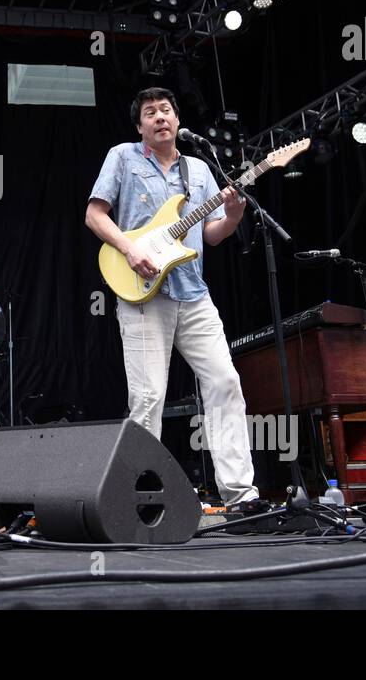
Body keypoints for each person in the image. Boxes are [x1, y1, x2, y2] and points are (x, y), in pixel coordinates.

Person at [85, 86, 261, 510]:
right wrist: (131, 249)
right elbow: (94, 214)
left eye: (166, 110)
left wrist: (234, 215)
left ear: (178, 121)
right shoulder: (123, 157)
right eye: (150, 112)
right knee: (148, 397)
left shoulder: (199, 171)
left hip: (194, 292)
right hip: (144, 293)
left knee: (225, 382)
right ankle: (138, 495)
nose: (160, 117)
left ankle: (240, 494)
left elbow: (211, 234)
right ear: (140, 125)